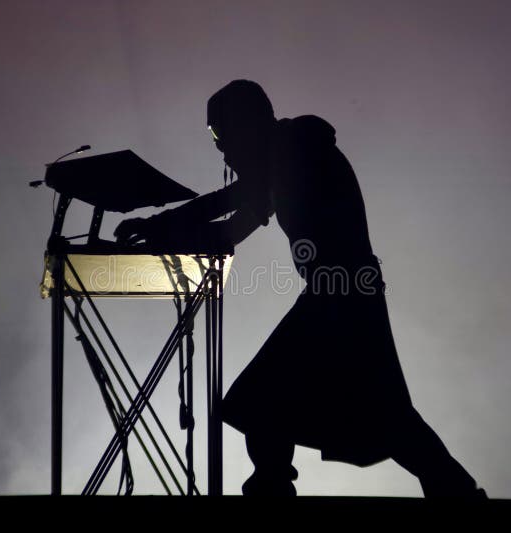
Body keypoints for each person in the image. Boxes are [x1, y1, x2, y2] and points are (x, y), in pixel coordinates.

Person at [115, 79, 487, 499]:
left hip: (340, 296)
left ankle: (273, 487)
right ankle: (455, 490)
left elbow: (227, 207)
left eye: (221, 133)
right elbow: (230, 226)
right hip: (343, 295)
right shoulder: (287, 156)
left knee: (269, 398)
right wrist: (162, 230)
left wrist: (159, 226)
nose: (221, 149)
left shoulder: (296, 149)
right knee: (378, 412)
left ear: (247, 124)